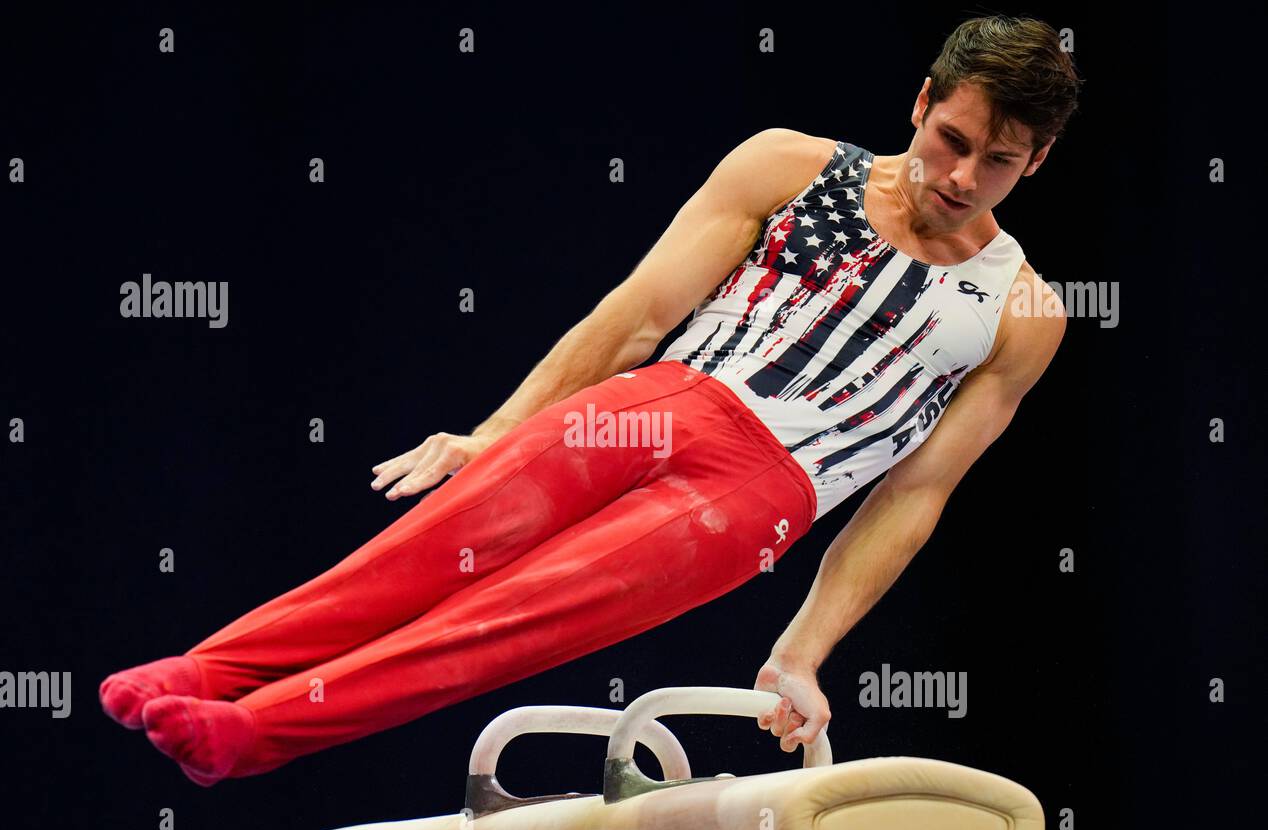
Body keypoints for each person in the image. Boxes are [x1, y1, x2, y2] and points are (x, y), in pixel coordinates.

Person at [100, 14, 1081, 786]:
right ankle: (206, 668)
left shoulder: (1020, 313)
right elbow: (636, 314)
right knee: (427, 546)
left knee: (505, 620)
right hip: (663, 396)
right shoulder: (791, 167)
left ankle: (256, 732)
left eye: (996, 160)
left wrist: (802, 650)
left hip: (752, 497)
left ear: (1035, 161)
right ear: (919, 101)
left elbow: (913, 496)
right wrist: (492, 432)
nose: (958, 175)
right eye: (950, 138)